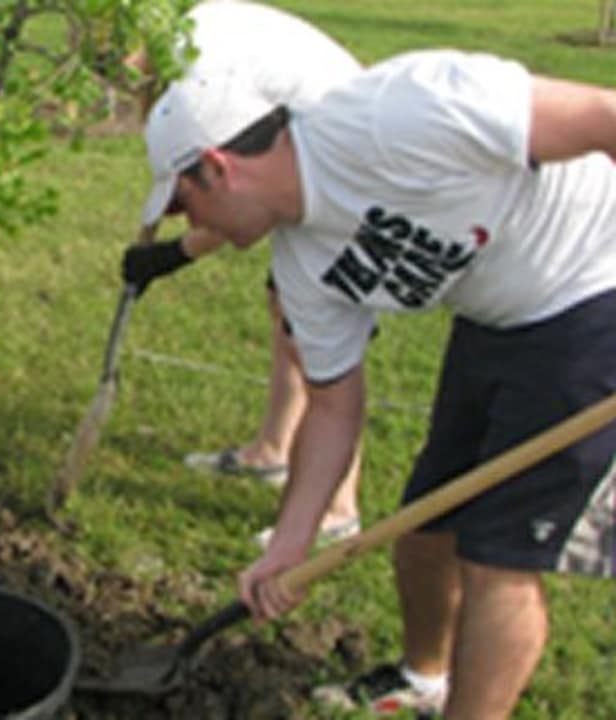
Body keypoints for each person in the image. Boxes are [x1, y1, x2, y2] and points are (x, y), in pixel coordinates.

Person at [131, 22, 616, 718]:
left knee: (497, 562)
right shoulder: (302, 263)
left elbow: (604, 116)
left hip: (594, 285)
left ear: (218, 164)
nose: (188, 221)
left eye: (183, 201)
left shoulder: (402, 113)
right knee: (428, 525)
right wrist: (291, 543)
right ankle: (423, 678)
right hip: (496, 315)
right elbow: (332, 405)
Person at [122, 0, 363, 549]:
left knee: (318, 335)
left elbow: (232, 192)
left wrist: (173, 255)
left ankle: (338, 506)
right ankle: (273, 451)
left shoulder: (204, 67)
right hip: (302, 158)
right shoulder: (196, 38)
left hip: (339, 170)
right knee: (285, 309)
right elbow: (224, 188)